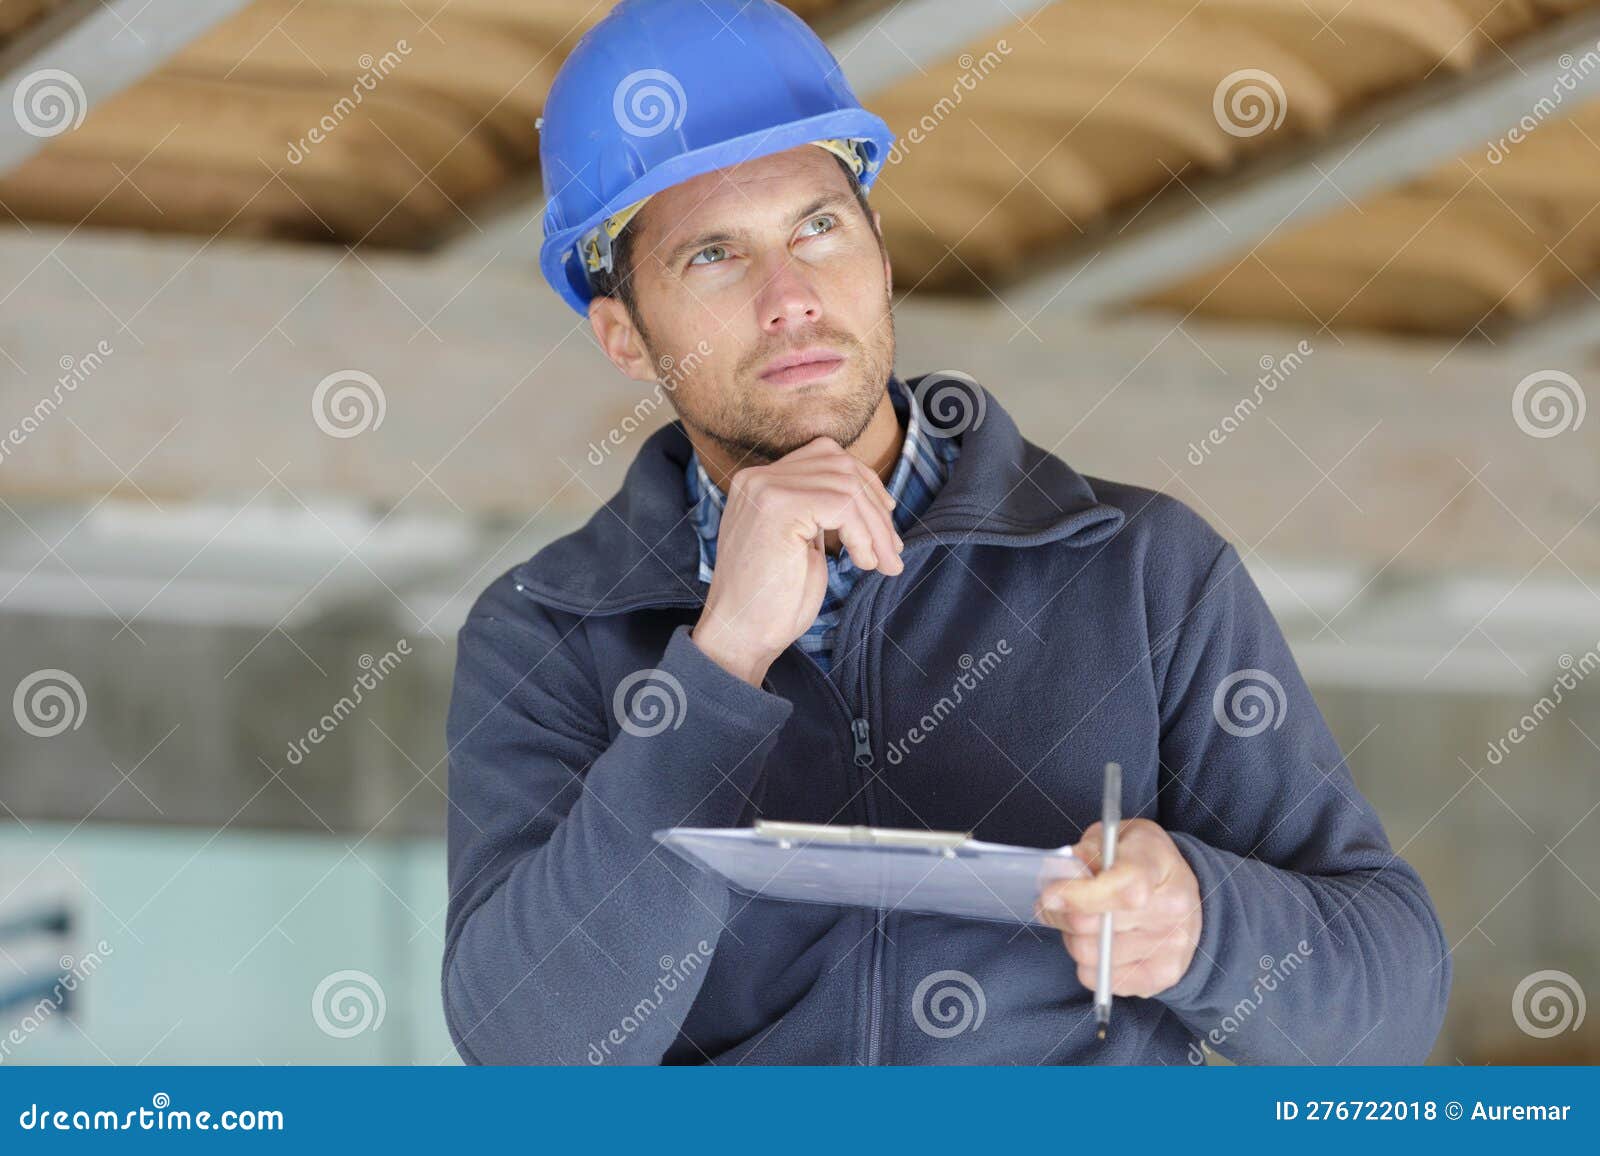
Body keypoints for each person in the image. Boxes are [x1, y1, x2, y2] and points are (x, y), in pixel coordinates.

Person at [441, 0, 1451, 1065]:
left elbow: (1389, 1005)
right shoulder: (548, 634)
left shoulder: (1139, 569)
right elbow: (528, 1052)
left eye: (818, 228)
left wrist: (1204, 926)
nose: (790, 298)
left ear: (880, 256)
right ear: (625, 338)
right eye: (714, 255)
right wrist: (719, 663)